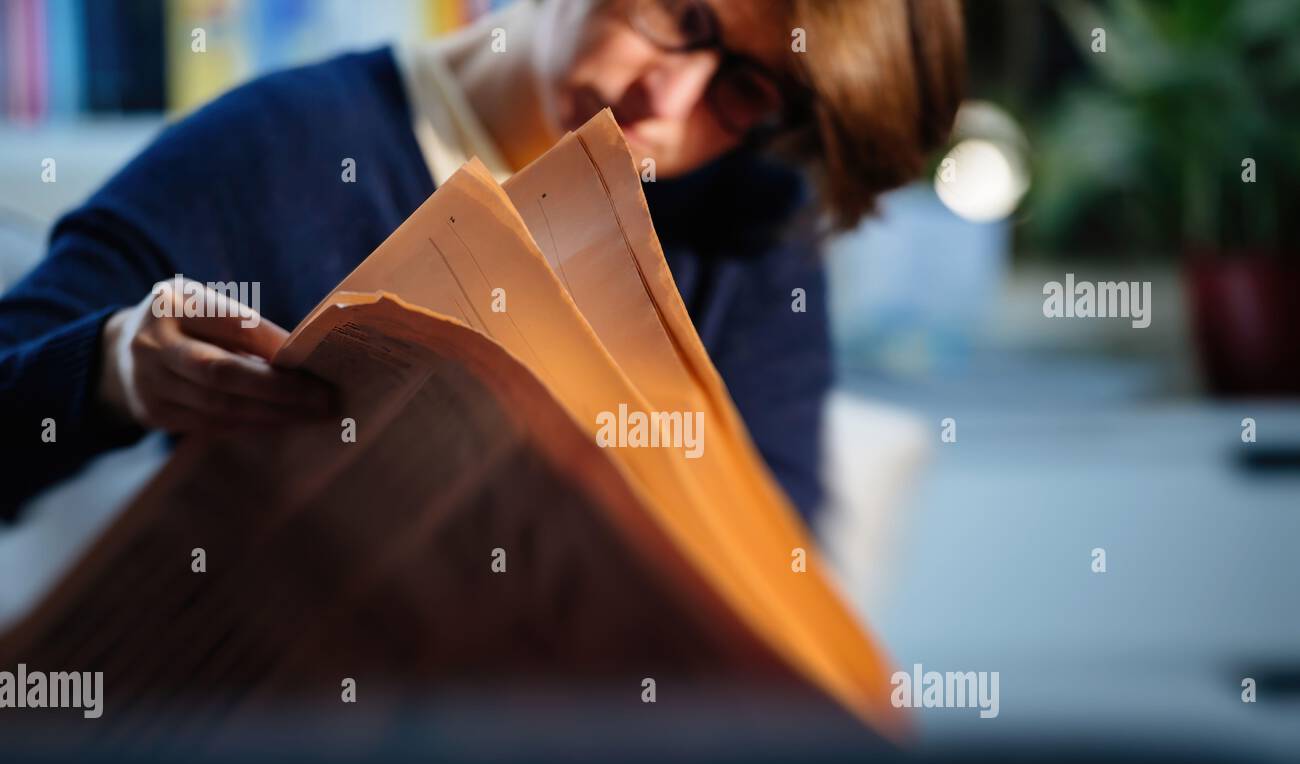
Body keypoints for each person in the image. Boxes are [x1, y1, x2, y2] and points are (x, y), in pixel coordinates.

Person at [0, 0, 964, 522]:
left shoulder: (749, 224)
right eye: (685, 16)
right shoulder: (278, 148)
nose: (668, 97)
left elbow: (776, 539)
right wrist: (115, 367)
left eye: (748, 88)